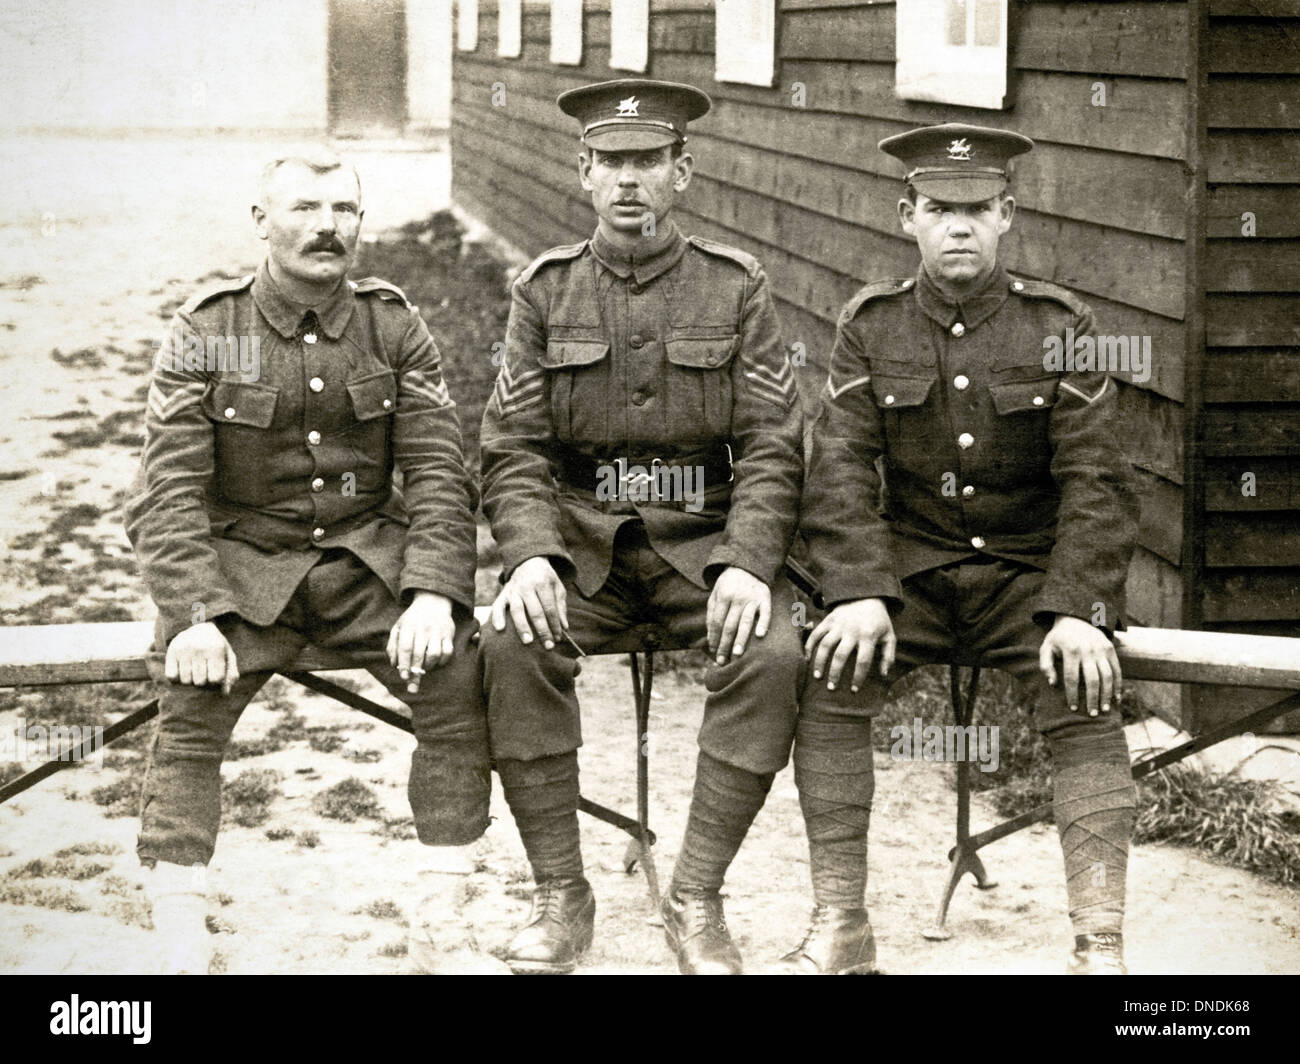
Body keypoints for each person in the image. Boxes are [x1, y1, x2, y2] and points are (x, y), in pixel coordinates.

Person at [124, 149, 504, 974]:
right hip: (240, 570)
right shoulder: (209, 331)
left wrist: (436, 592)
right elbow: (165, 491)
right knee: (190, 700)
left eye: (344, 211)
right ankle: (180, 918)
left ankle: (443, 917)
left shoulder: (393, 326)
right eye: (304, 208)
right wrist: (193, 612)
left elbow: (440, 472)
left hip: (362, 567)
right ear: (262, 222)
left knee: (456, 673)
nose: (327, 227)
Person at [784, 123, 1141, 974]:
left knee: (1087, 692)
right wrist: (857, 589)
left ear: (1007, 215)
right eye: (940, 208)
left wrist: (1079, 608)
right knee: (827, 673)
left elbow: (1098, 479)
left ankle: (1100, 946)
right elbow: (836, 470)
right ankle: (840, 923)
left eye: (977, 209)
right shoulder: (869, 327)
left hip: (1029, 582)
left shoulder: (1063, 323)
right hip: (909, 581)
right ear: (908, 214)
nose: (958, 227)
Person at [479, 79, 805, 974]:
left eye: (648, 161)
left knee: (774, 654)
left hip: (702, 550)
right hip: (581, 551)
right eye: (611, 162)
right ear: (583, 172)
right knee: (510, 645)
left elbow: (776, 444)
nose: (630, 180)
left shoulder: (736, 289)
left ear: (682, 172)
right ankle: (561, 894)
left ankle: (697, 893)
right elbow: (510, 448)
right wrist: (531, 556)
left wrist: (747, 561)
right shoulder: (544, 292)